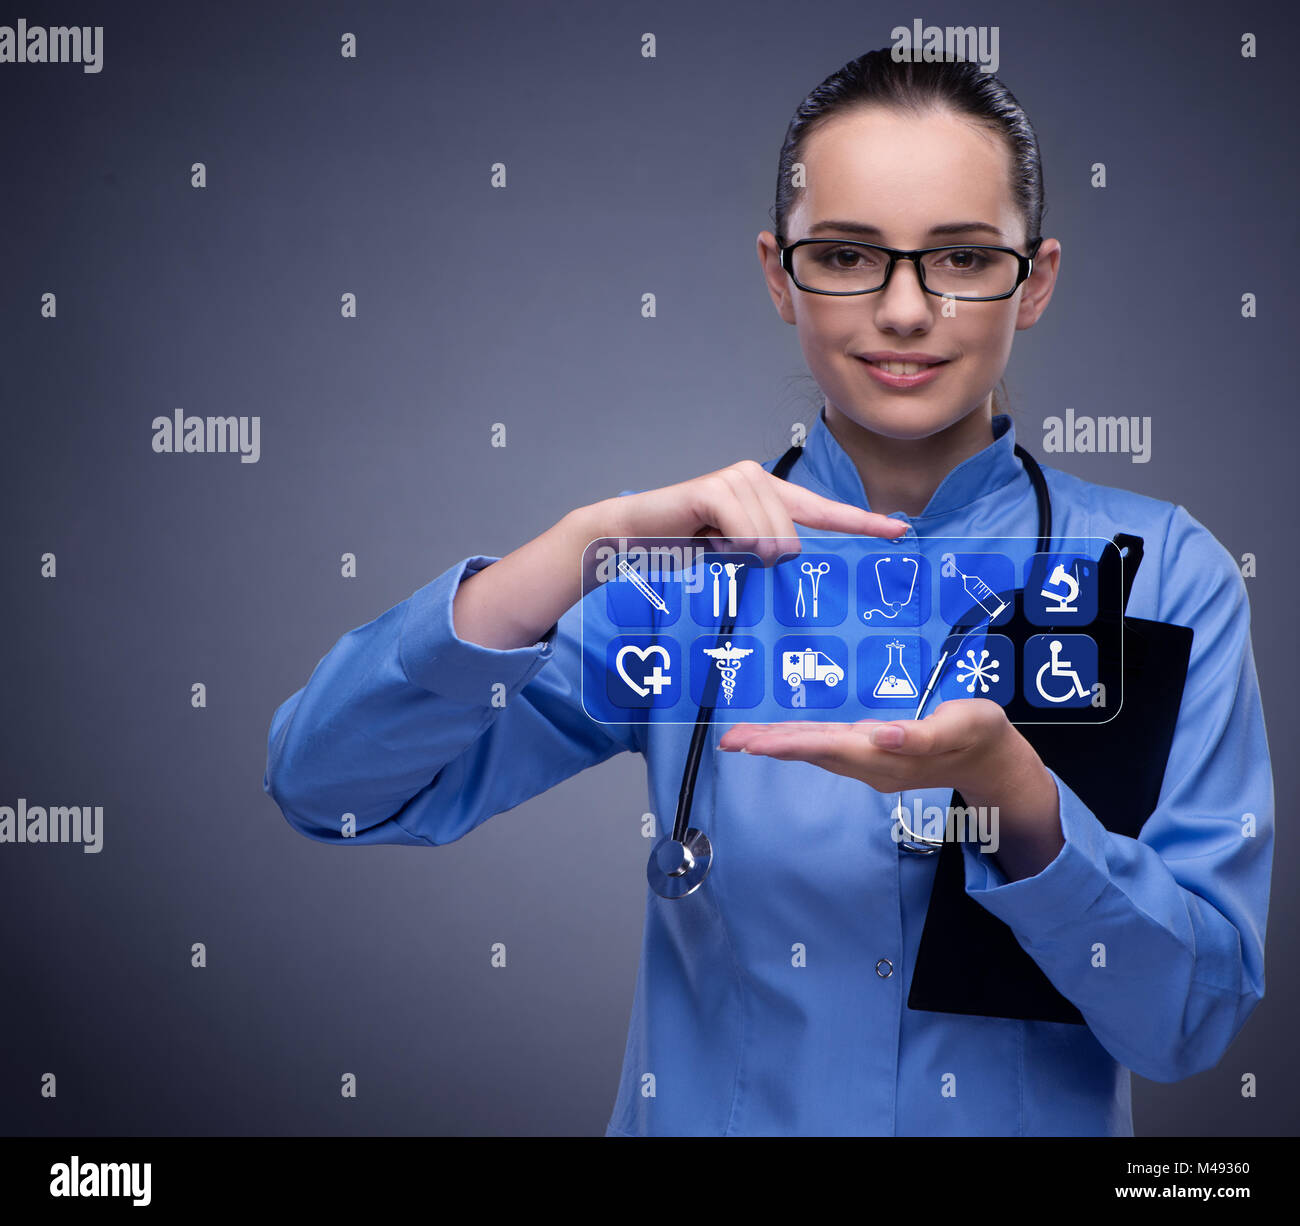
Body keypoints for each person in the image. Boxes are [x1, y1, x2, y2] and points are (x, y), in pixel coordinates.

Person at [263, 48, 1273, 1136]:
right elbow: (329, 786)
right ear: (776, 271)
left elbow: (1186, 1023)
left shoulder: (1163, 575)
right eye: (844, 254)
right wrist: (571, 548)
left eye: (962, 258)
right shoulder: (675, 575)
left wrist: (1014, 795)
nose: (902, 310)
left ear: (1033, 281)